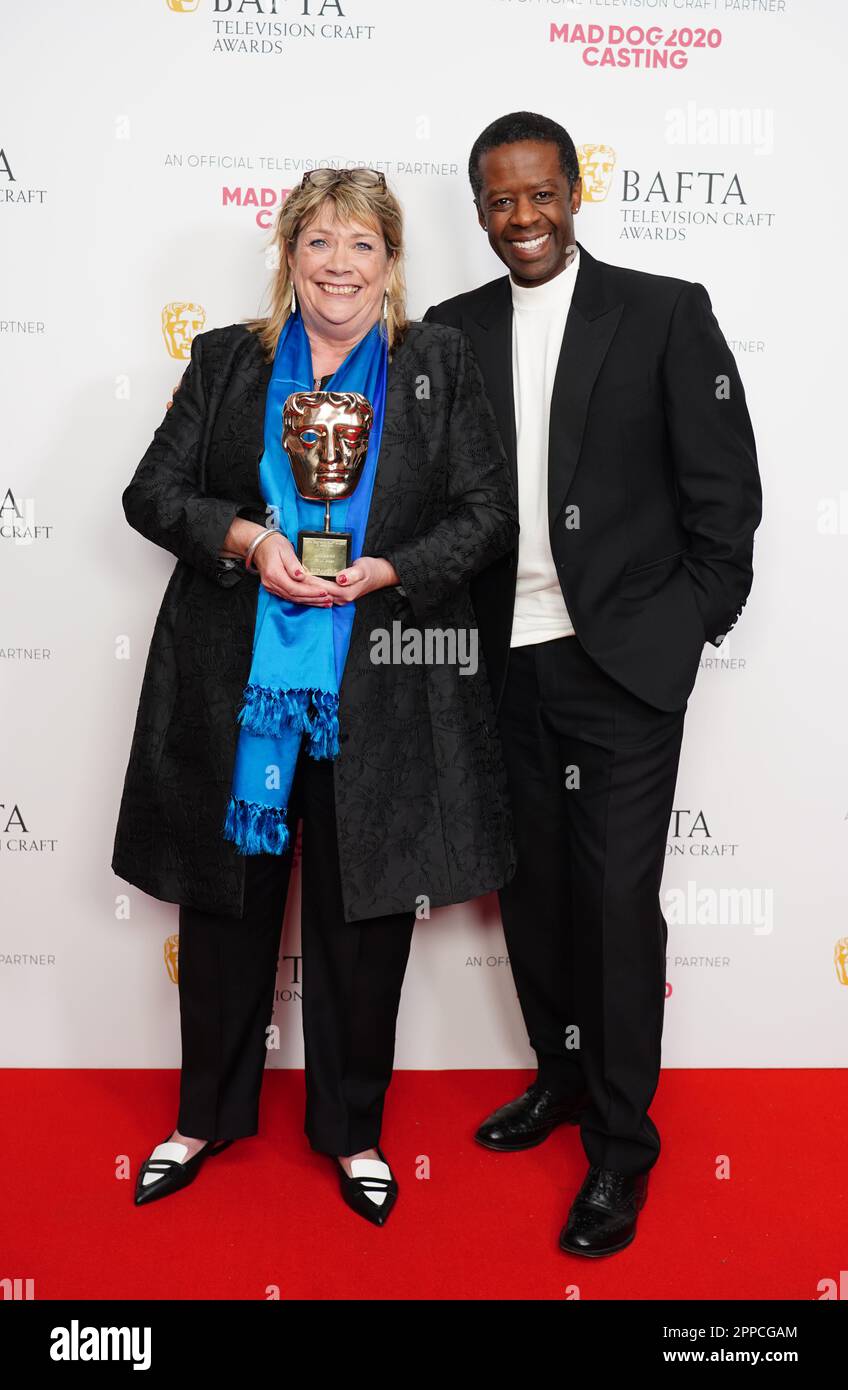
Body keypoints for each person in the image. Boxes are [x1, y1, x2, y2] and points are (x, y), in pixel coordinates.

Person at [112, 167, 518, 1226]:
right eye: (319, 244)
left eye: (361, 248)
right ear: (288, 254)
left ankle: (351, 1132)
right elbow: (151, 495)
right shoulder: (226, 361)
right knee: (226, 905)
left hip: (377, 685)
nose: (339, 266)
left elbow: (485, 515)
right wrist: (248, 541)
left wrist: (385, 570)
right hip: (239, 683)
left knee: (361, 913)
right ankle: (201, 1117)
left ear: (391, 263)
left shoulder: (433, 362)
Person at [425, 113, 762, 1256]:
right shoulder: (450, 331)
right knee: (534, 896)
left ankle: (621, 1152)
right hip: (499, 664)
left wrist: (684, 632)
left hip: (619, 668)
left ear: (575, 191)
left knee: (615, 906)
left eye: (539, 194)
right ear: (478, 209)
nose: (520, 218)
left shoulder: (665, 311)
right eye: (498, 201)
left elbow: (725, 500)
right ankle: (559, 1083)